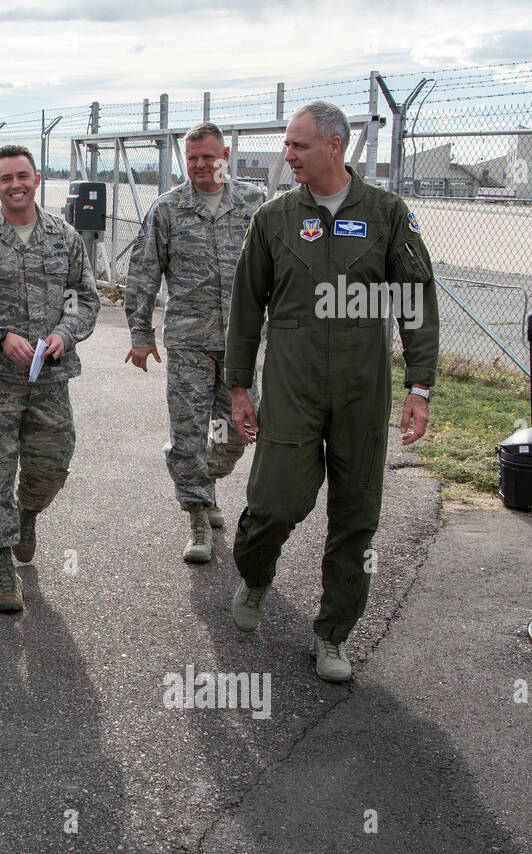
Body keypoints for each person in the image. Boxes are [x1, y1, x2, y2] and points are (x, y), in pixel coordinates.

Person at [225, 101, 439, 682]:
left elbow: (416, 303)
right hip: (292, 380)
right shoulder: (273, 219)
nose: (287, 155)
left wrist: (420, 386)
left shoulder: (388, 213)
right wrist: (239, 386)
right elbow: (247, 306)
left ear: (335, 147)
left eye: (298, 146)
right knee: (275, 503)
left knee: (356, 512)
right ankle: (256, 573)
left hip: (361, 384)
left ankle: (333, 633)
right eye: (287, 145)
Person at [0, 144, 99, 613]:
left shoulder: (65, 237)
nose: (16, 184)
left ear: (37, 180)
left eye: (23, 176)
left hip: (51, 380)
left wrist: (64, 333)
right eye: (6, 178)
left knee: (51, 466)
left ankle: (27, 514)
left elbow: (83, 299)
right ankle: (2, 570)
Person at [125, 122, 264, 564]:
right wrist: (141, 334)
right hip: (189, 342)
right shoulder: (168, 209)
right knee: (187, 435)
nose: (200, 165)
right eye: (192, 158)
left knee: (237, 433)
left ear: (226, 154)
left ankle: (206, 482)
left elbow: (275, 271)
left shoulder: (254, 204)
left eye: (208, 156)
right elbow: (144, 272)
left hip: (240, 343)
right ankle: (197, 514)